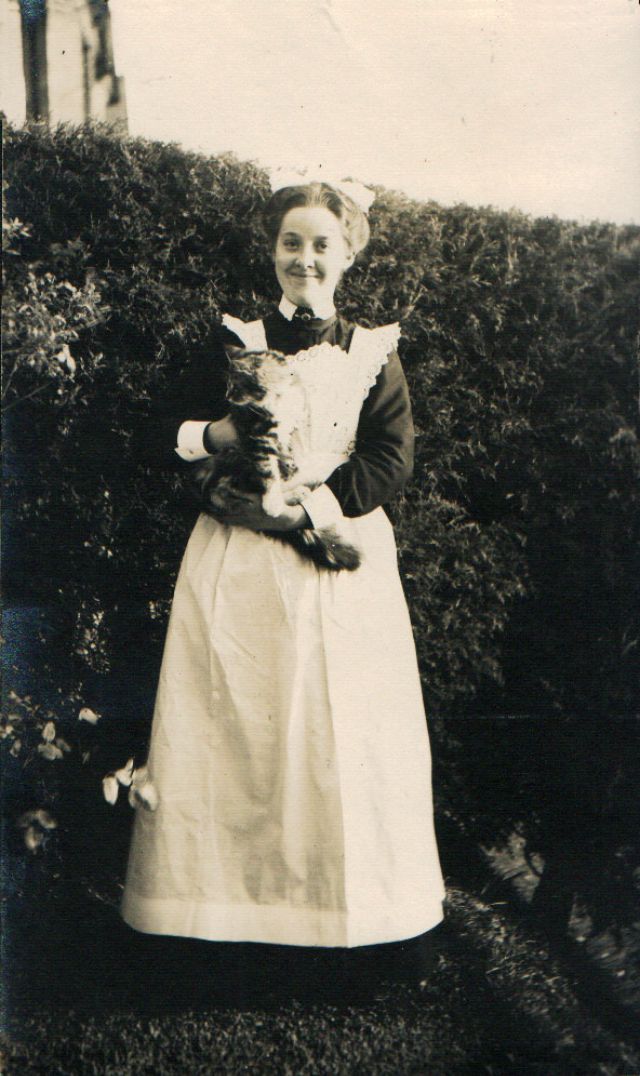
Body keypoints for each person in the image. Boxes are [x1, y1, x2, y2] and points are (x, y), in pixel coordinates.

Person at [120, 177, 446, 1001]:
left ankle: (351, 931)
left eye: (322, 245)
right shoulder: (233, 337)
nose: (305, 258)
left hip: (333, 562)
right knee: (235, 730)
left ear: (348, 255)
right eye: (291, 243)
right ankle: (217, 931)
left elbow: (389, 457)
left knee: (339, 736)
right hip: (237, 564)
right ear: (273, 251)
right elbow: (166, 429)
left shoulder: (372, 351)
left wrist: (312, 509)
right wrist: (217, 438)